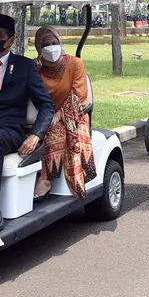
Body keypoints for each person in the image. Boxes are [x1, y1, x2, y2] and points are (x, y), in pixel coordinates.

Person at [0, 12, 55, 231]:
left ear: (10, 40)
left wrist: (36, 134)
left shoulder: (24, 67)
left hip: (9, 131)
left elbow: (47, 105)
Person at [32, 26, 95, 200]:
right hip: (45, 115)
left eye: (54, 43)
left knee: (55, 130)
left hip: (75, 114)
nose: (51, 47)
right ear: (39, 48)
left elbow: (79, 97)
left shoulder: (75, 63)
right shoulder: (36, 68)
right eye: (45, 44)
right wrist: (34, 72)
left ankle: (46, 179)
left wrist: (59, 115)